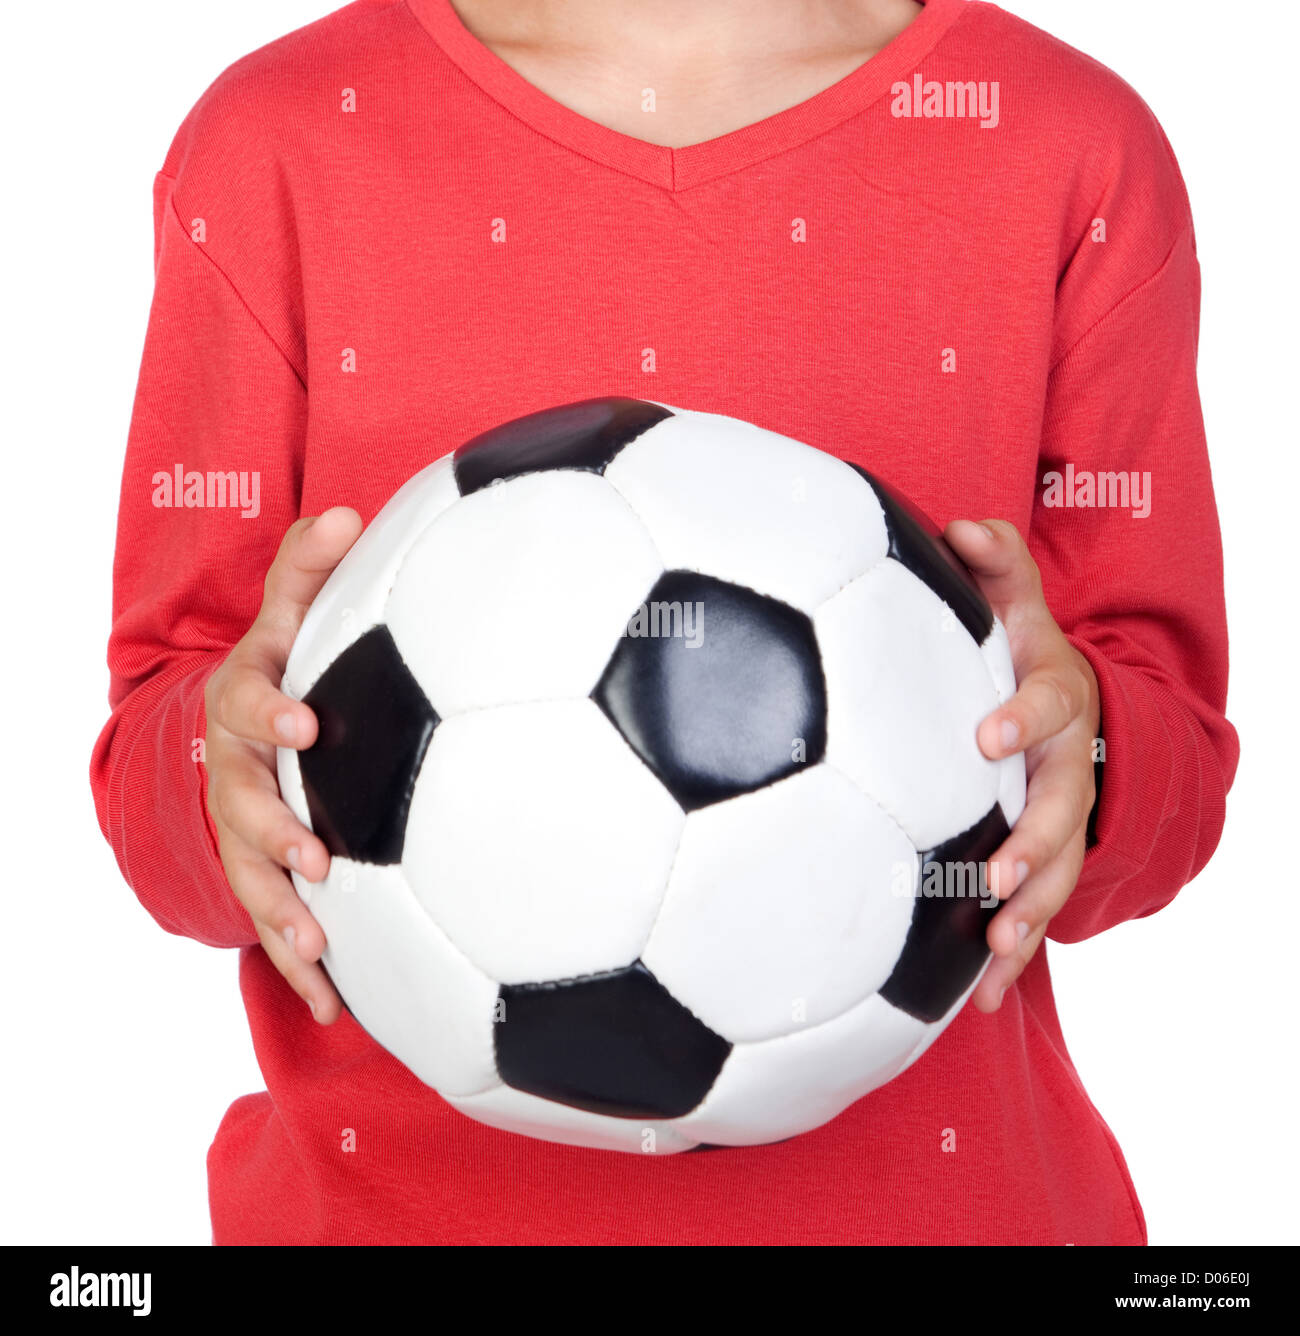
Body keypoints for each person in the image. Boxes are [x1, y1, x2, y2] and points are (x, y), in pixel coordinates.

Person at [91, 0, 1238, 1244]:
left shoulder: (1064, 144)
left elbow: (1169, 764)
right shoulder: (281, 140)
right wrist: (223, 772)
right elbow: (162, 765)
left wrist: (1092, 755)